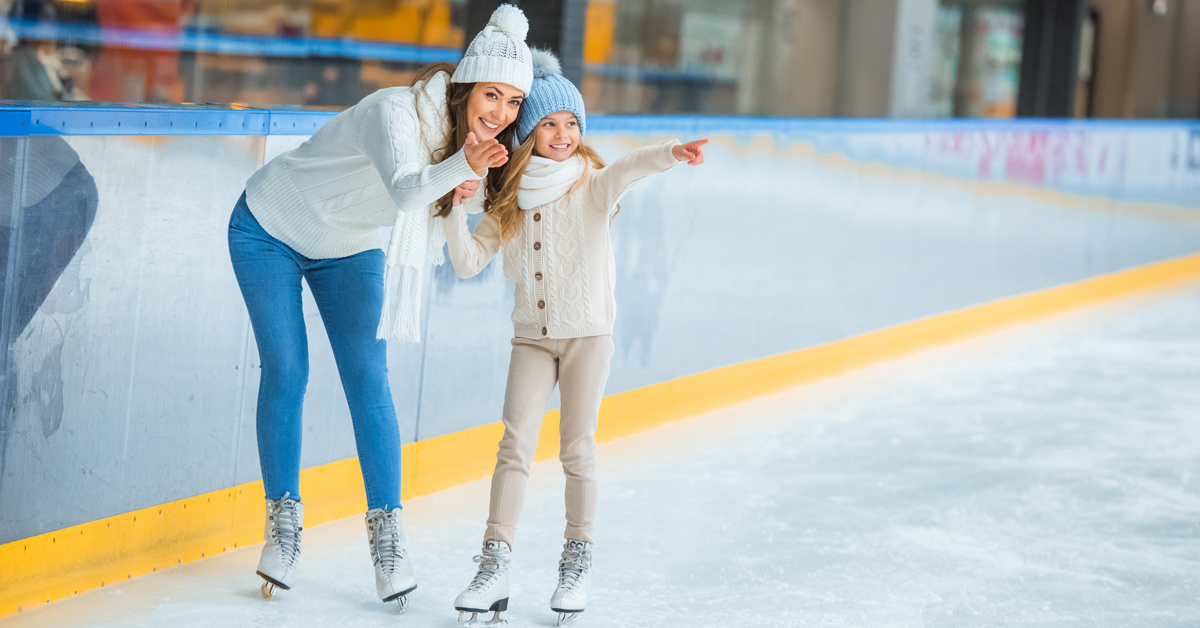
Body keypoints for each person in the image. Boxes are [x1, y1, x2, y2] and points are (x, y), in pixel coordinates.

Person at [225, 4, 532, 612]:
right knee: (287, 370)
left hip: (348, 246)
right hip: (268, 227)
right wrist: (462, 168)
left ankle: (388, 539)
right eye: (491, 94)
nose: (500, 113)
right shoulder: (396, 111)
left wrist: (474, 180)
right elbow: (406, 190)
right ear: (467, 85)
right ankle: (282, 527)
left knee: (369, 379)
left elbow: (459, 211)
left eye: (514, 102)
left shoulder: (469, 149)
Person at [442, 49, 707, 627]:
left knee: (576, 449)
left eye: (572, 123)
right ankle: (494, 564)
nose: (563, 135)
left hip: (588, 336)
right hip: (532, 340)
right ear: (528, 133)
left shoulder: (593, 186)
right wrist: (454, 211)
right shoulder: (508, 200)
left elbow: (629, 167)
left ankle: (577, 559)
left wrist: (670, 153)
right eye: (549, 124)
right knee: (514, 446)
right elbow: (466, 263)